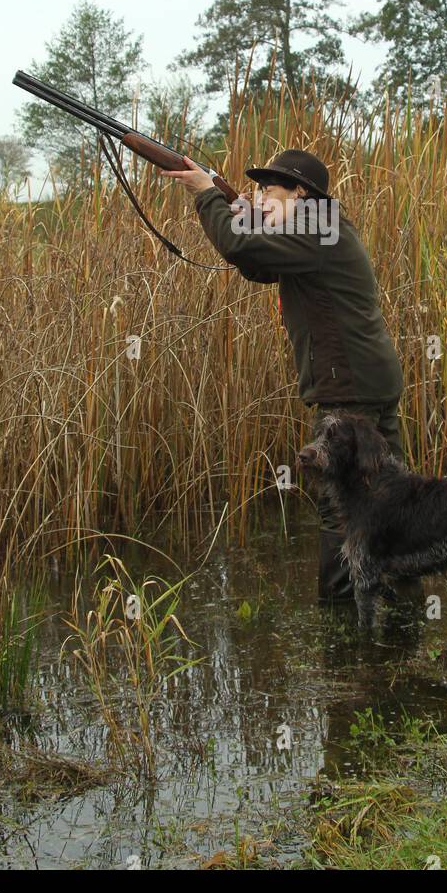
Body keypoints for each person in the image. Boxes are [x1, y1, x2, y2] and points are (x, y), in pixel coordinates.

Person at [163, 148, 405, 601]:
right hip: (367, 380)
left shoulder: (317, 226)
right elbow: (256, 265)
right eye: (256, 190)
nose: (259, 197)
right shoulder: (320, 228)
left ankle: (339, 613)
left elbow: (239, 245)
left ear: (300, 193)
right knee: (385, 497)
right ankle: (394, 601)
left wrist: (204, 195)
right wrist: (227, 204)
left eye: (268, 190)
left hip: (348, 387)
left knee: (342, 502)